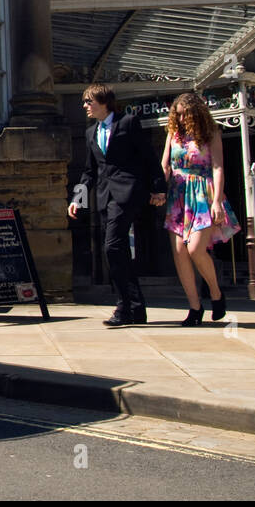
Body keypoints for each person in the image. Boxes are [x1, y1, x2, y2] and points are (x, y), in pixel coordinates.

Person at [68, 83, 167, 326]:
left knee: (112, 247)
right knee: (117, 251)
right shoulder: (90, 133)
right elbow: (89, 171)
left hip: (128, 192)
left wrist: (158, 188)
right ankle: (135, 309)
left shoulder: (128, 123)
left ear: (103, 102)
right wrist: (77, 199)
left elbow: (148, 157)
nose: (85, 106)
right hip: (105, 196)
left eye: (89, 101)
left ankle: (124, 307)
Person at [162, 92, 239, 326]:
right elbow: (165, 165)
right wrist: (157, 188)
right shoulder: (173, 134)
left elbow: (217, 167)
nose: (182, 118)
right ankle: (194, 308)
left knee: (195, 249)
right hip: (178, 195)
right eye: (179, 114)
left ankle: (216, 294)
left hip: (203, 193)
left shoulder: (211, 132)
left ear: (197, 113)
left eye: (186, 114)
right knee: (179, 252)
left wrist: (217, 201)